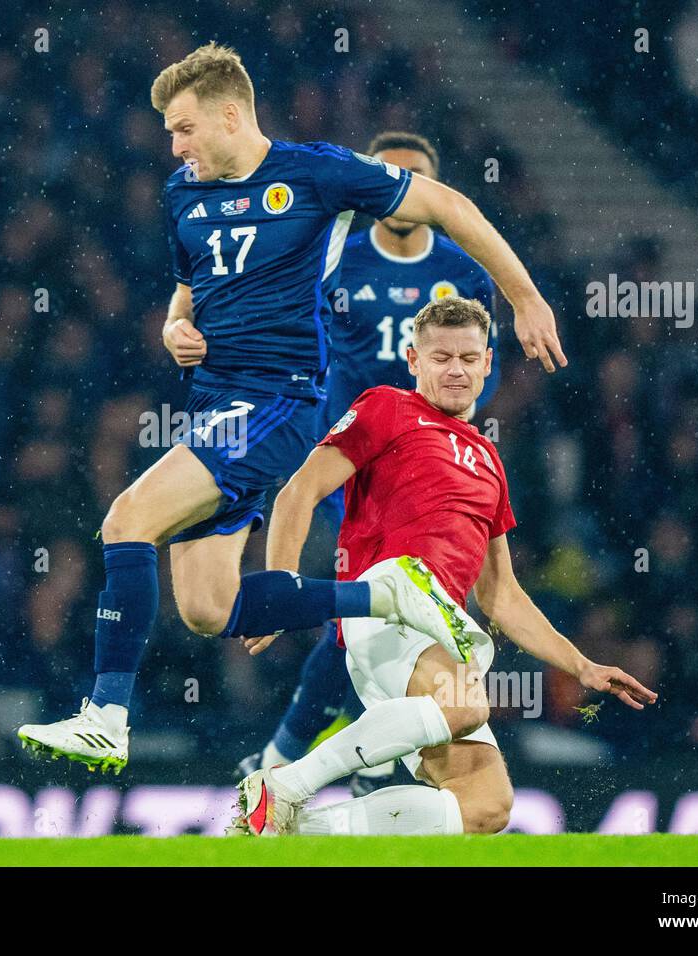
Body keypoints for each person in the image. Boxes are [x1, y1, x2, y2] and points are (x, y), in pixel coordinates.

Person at [17, 42, 564, 774]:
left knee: (126, 519)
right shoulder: (184, 191)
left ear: (231, 115)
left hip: (277, 400)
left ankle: (106, 715)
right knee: (209, 610)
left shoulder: (316, 173)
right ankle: (388, 599)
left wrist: (526, 297)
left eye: (183, 128)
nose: (174, 146)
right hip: (213, 405)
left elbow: (449, 206)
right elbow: (190, 289)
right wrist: (173, 326)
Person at [231, 296, 655, 835]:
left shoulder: (489, 462)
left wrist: (582, 666)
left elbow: (501, 595)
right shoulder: (387, 407)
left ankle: (290, 831)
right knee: (465, 703)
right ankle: (284, 784)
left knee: (485, 806)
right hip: (388, 596)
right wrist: (284, 590)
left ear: (486, 365)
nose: (454, 368)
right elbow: (298, 493)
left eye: (467, 357)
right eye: (440, 356)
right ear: (414, 360)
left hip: (439, 630)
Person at [240, 131, 500, 795]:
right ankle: (343, 764)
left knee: (377, 615)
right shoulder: (339, 259)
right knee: (378, 609)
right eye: (394, 176)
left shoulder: (464, 270)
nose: (405, 190)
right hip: (351, 457)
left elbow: (478, 369)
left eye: (419, 178)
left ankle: (292, 759)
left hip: (426, 467)